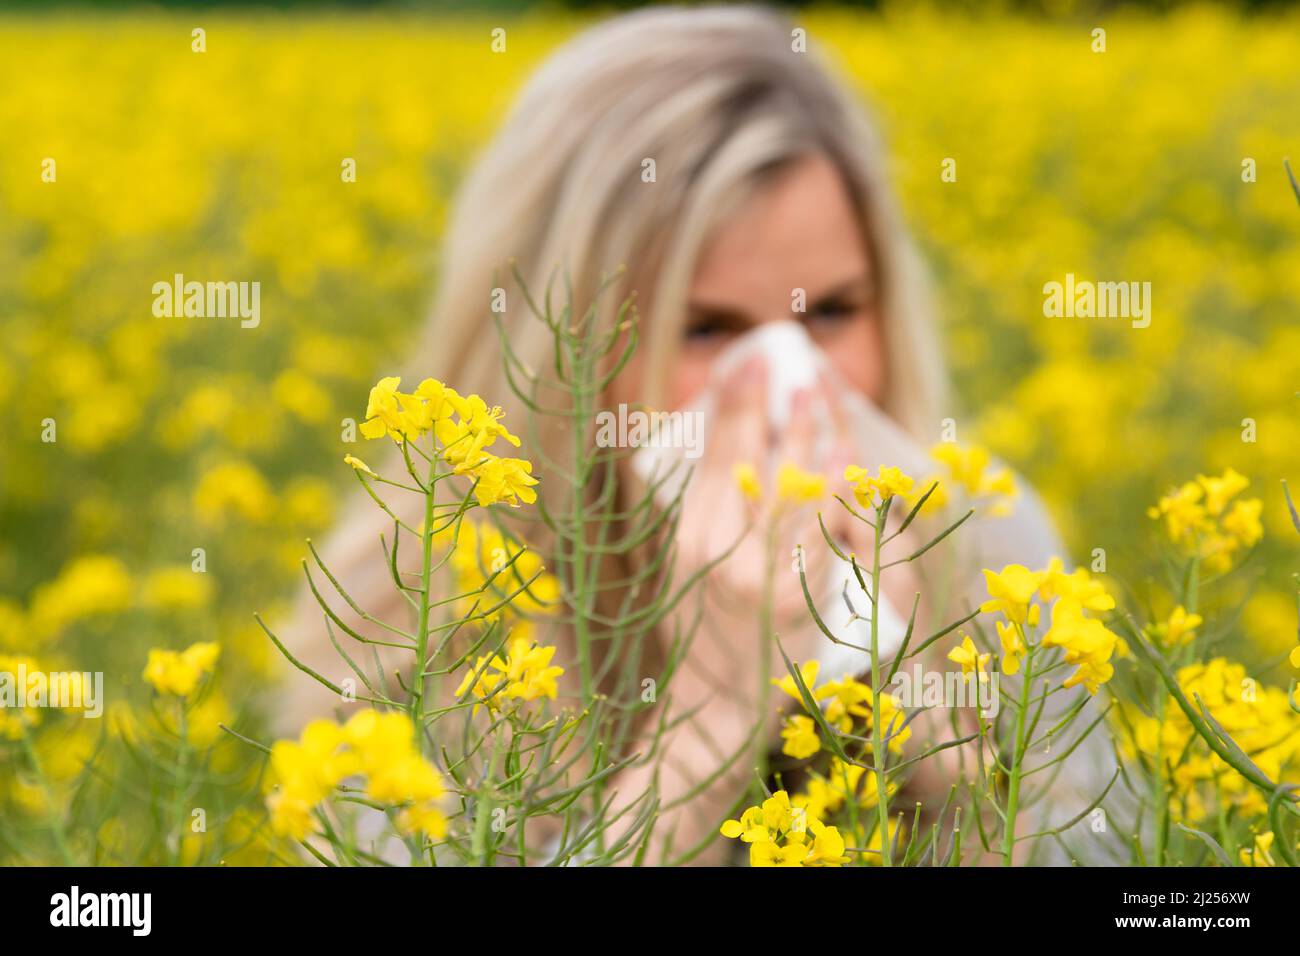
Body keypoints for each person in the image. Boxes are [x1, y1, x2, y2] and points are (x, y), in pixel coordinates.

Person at [280, 5, 1074, 864]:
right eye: (703, 330)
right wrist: (708, 719)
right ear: (557, 351)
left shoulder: (991, 551)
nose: (784, 385)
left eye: (836, 312)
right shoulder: (411, 624)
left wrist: (958, 789)